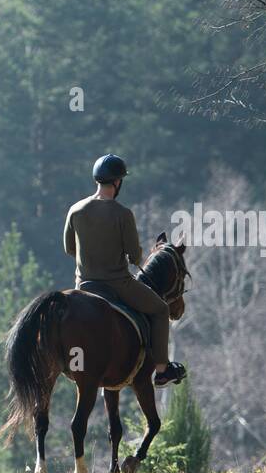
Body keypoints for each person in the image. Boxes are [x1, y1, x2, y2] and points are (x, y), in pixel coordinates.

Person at [63, 154, 187, 387]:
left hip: (84, 284)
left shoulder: (75, 210)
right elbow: (135, 257)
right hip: (118, 284)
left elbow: (69, 248)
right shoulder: (122, 213)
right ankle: (162, 369)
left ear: (97, 180)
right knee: (160, 309)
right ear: (118, 182)